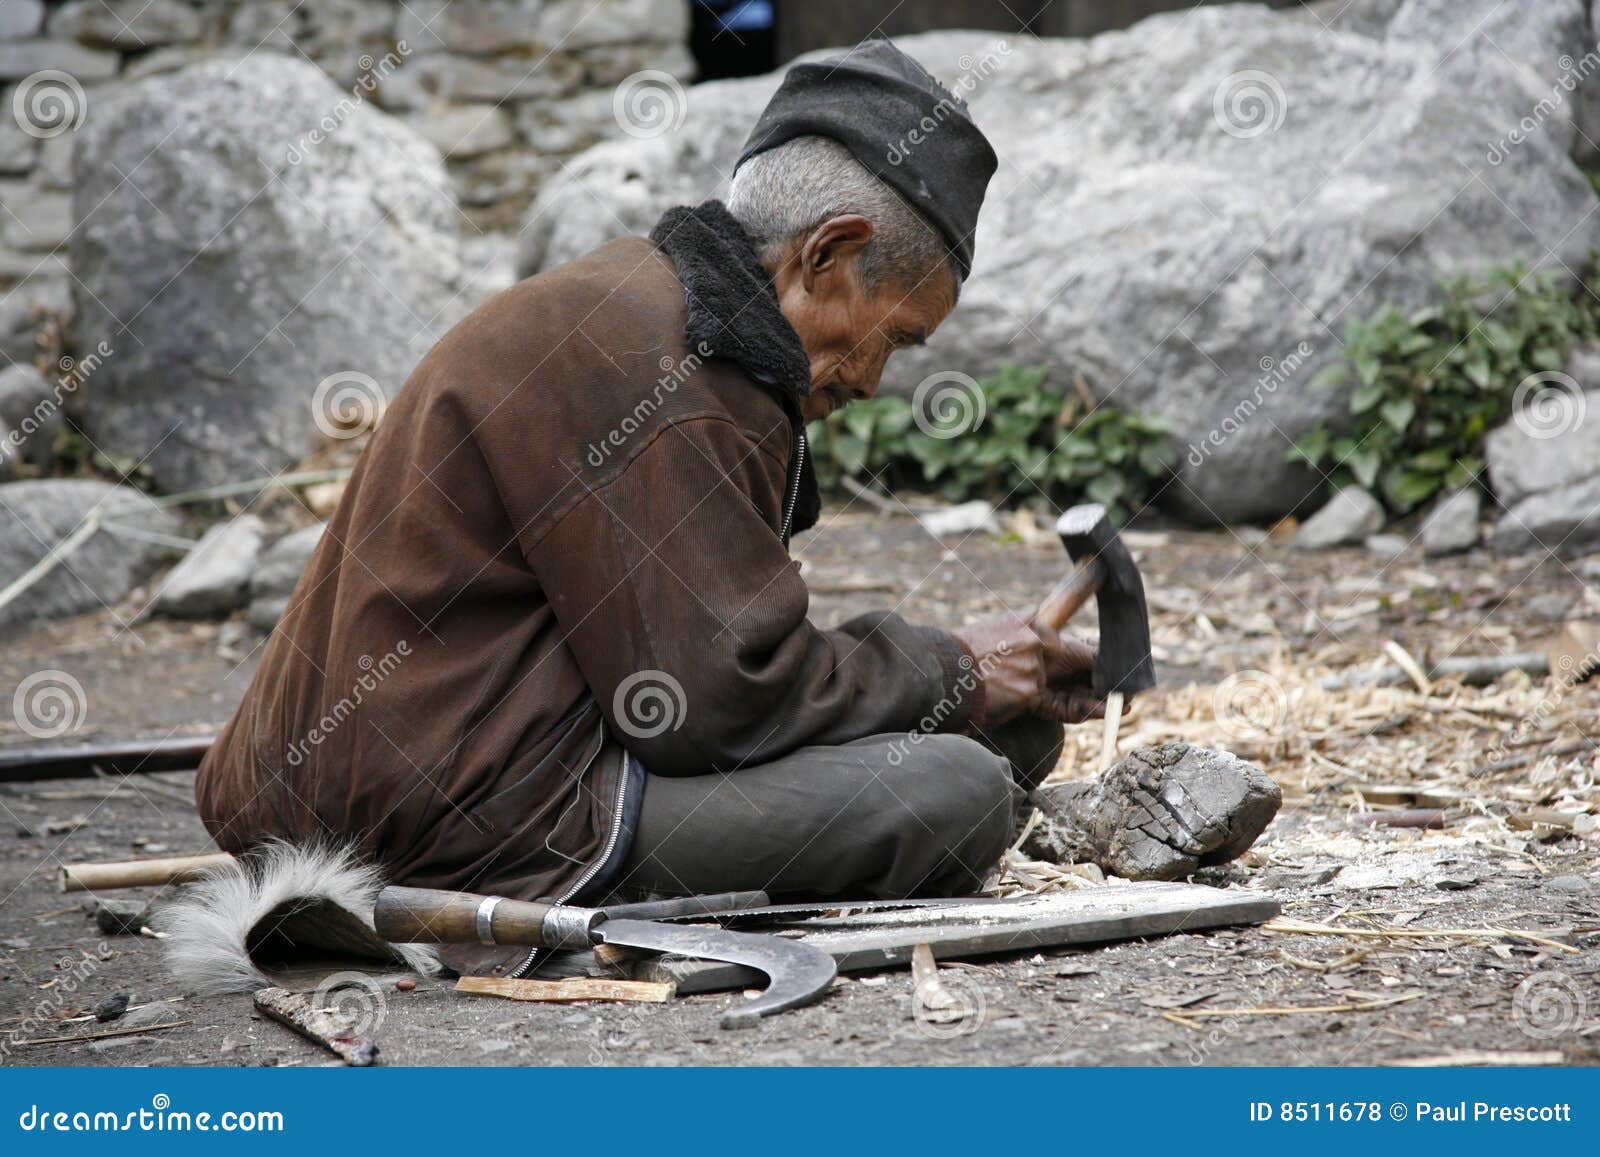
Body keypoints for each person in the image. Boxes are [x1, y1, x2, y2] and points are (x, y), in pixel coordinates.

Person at [193, 41, 1107, 973]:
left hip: (339, 792)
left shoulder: (648, 304)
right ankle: (478, 911)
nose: (873, 378)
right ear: (829, 253)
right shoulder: (680, 375)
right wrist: (952, 663)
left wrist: (960, 678)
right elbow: (714, 707)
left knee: (1005, 732)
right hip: (465, 813)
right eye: (896, 338)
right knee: (956, 792)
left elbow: (699, 673)